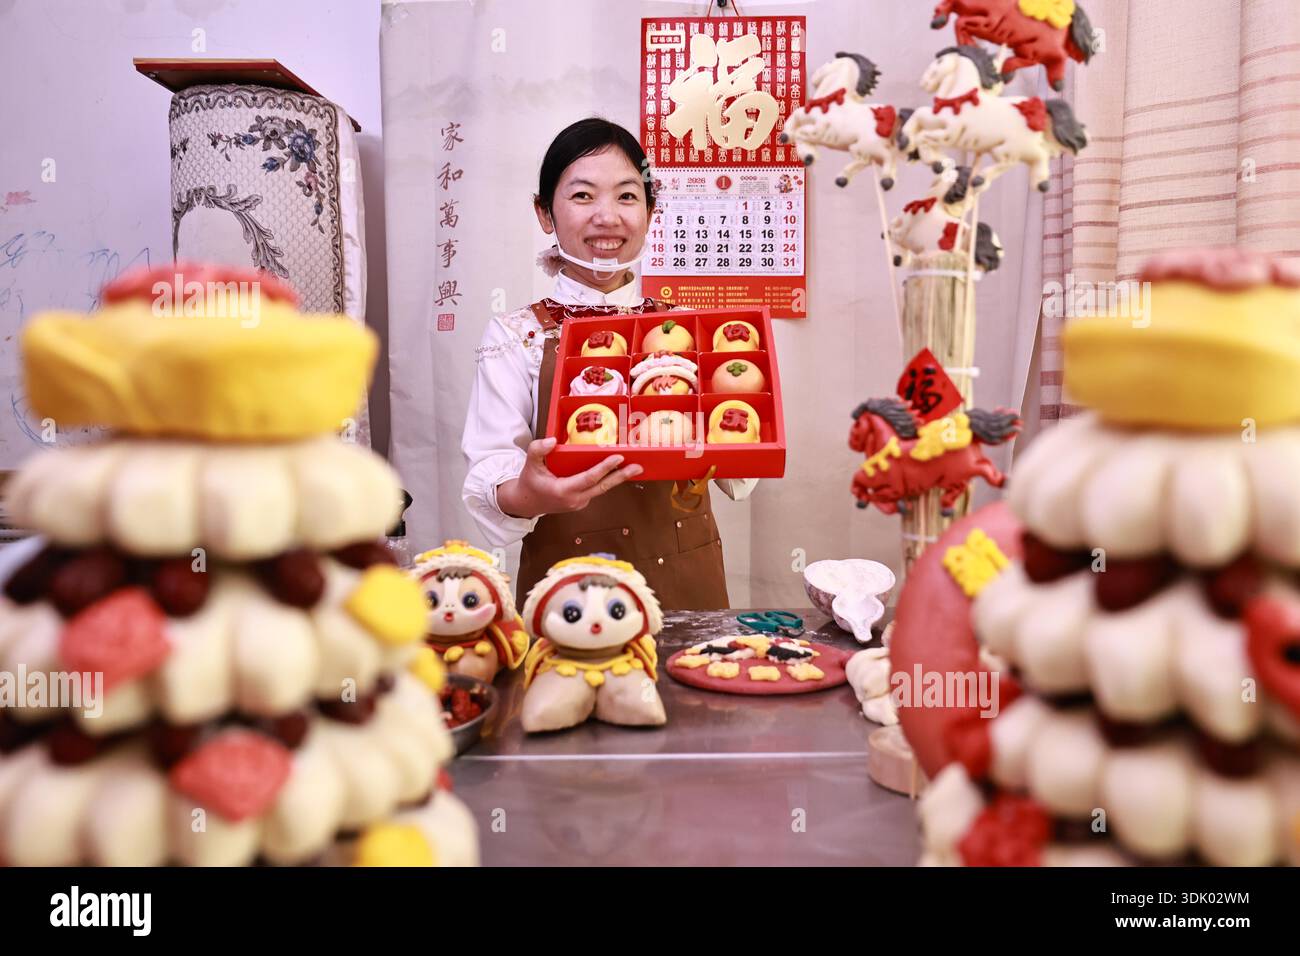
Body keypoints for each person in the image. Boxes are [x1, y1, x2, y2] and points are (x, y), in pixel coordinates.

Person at [462, 117, 755, 609]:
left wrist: (736, 395)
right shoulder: (517, 336)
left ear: (650, 211)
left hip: (688, 580)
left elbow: (736, 474)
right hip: (568, 595)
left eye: (626, 196)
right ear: (544, 213)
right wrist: (533, 495)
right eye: (582, 196)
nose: (607, 216)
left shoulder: (693, 331)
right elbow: (493, 472)